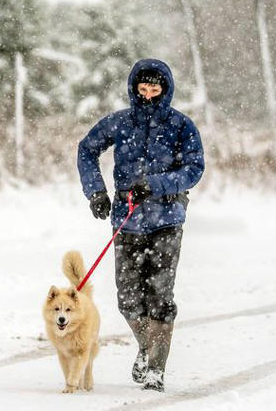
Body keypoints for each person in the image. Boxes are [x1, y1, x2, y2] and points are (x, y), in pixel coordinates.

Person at [77, 58, 204, 391]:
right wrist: (96, 193)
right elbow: (87, 149)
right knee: (128, 299)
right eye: (142, 89)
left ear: (166, 90)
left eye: (154, 89)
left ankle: (156, 369)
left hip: (166, 219)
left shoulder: (181, 126)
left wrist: (158, 184)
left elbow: (194, 169)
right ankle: (148, 347)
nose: (148, 95)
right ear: (134, 88)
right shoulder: (120, 122)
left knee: (159, 295)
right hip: (127, 220)